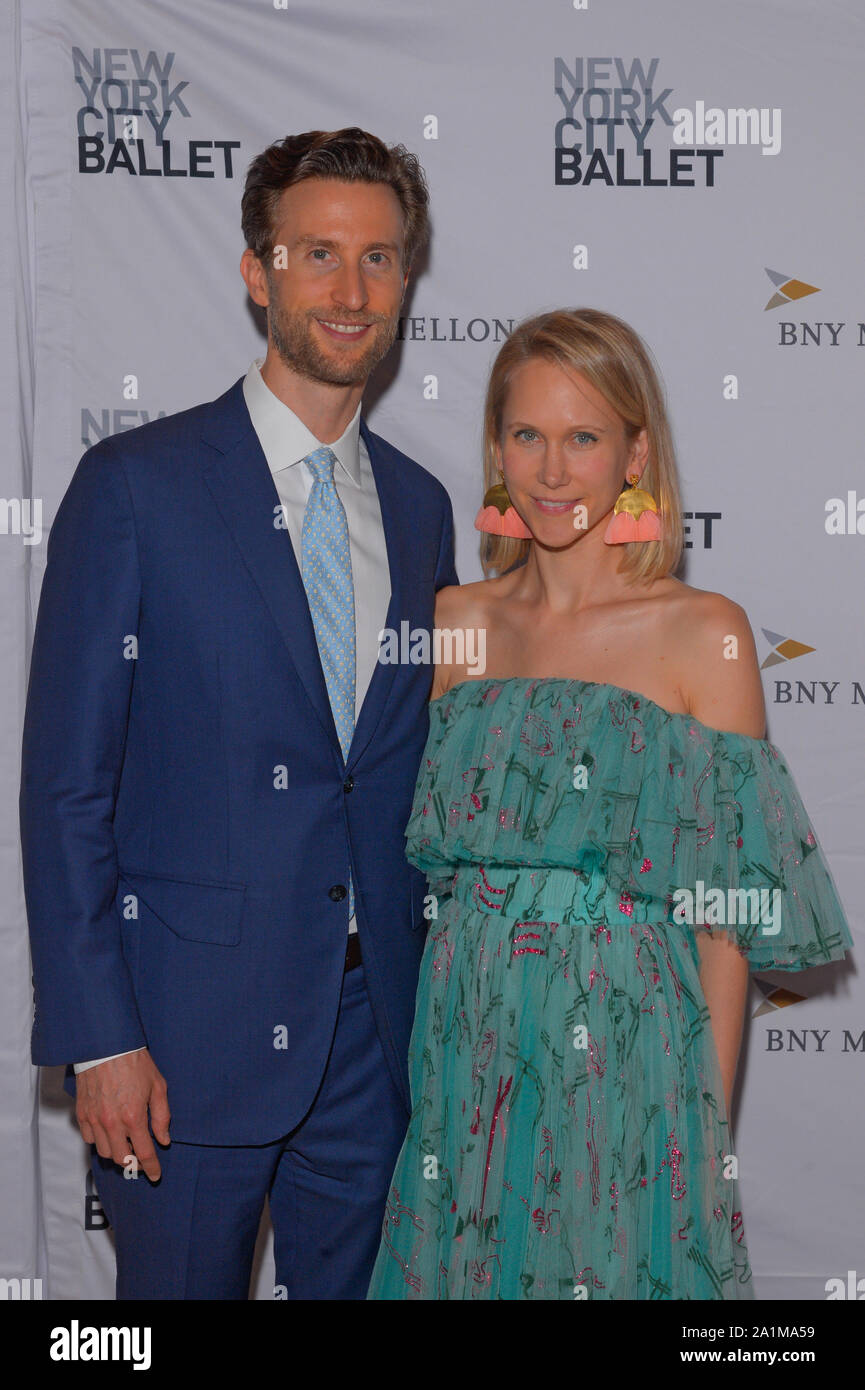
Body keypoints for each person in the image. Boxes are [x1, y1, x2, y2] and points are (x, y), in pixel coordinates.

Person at [20, 127, 457, 1300]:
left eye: (379, 258)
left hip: (374, 1040)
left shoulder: (421, 511)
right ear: (257, 272)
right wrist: (99, 1035)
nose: (351, 290)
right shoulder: (136, 488)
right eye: (318, 254)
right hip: (180, 1042)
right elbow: (65, 786)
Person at [367, 307, 854, 1300]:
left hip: (627, 1056)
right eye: (528, 435)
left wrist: (696, 1136)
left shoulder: (701, 633)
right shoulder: (450, 623)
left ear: (635, 452)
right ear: (496, 447)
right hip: (468, 1047)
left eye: (583, 437)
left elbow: (724, 920)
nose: (552, 470)